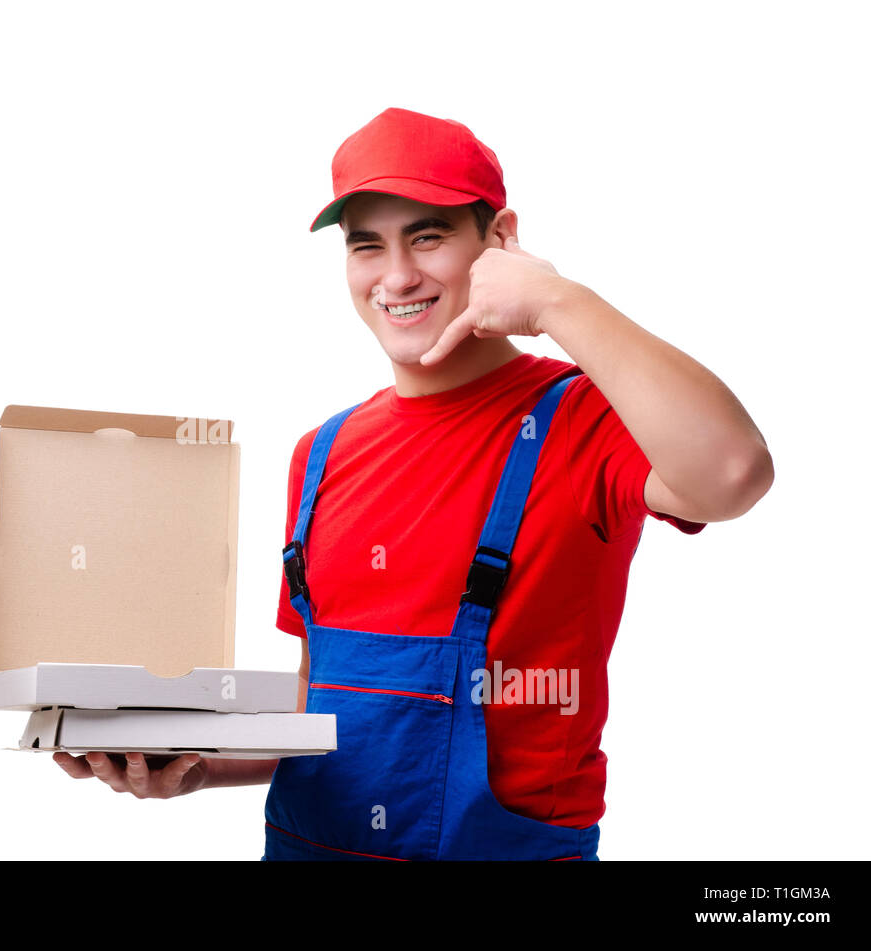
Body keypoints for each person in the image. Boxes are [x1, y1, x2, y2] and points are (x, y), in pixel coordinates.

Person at [40, 107, 774, 859]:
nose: (396, 276)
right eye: (368, 245)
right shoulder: (320, 453)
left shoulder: (584, 421)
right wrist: (194, 767)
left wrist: (556, 301)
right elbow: (321, 713)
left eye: (427, 236)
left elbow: (733, 472)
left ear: (499, 239)